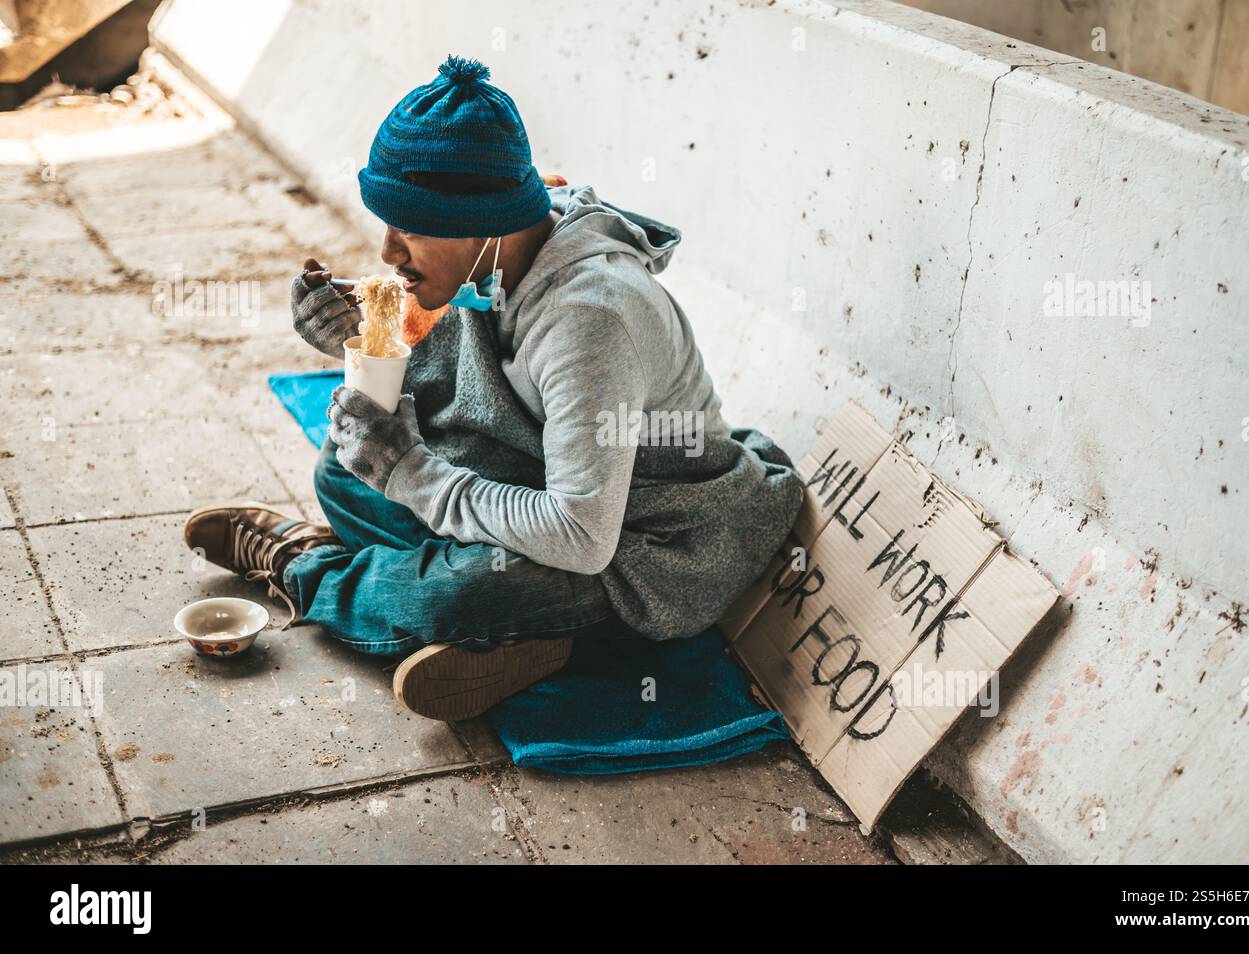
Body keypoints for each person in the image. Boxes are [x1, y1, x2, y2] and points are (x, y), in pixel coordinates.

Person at [185, 54, 804, 721]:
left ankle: (305, 565)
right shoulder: (500, 252)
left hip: (644, 544)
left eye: (413, 229)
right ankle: (526, 636)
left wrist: (413, 477)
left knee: (456, 597)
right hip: (533, 474)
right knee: (343, 471)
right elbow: (449, 392)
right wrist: (361, 340)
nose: (390, 253)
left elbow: (580, 536)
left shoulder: (590, 321)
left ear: (486, 223)